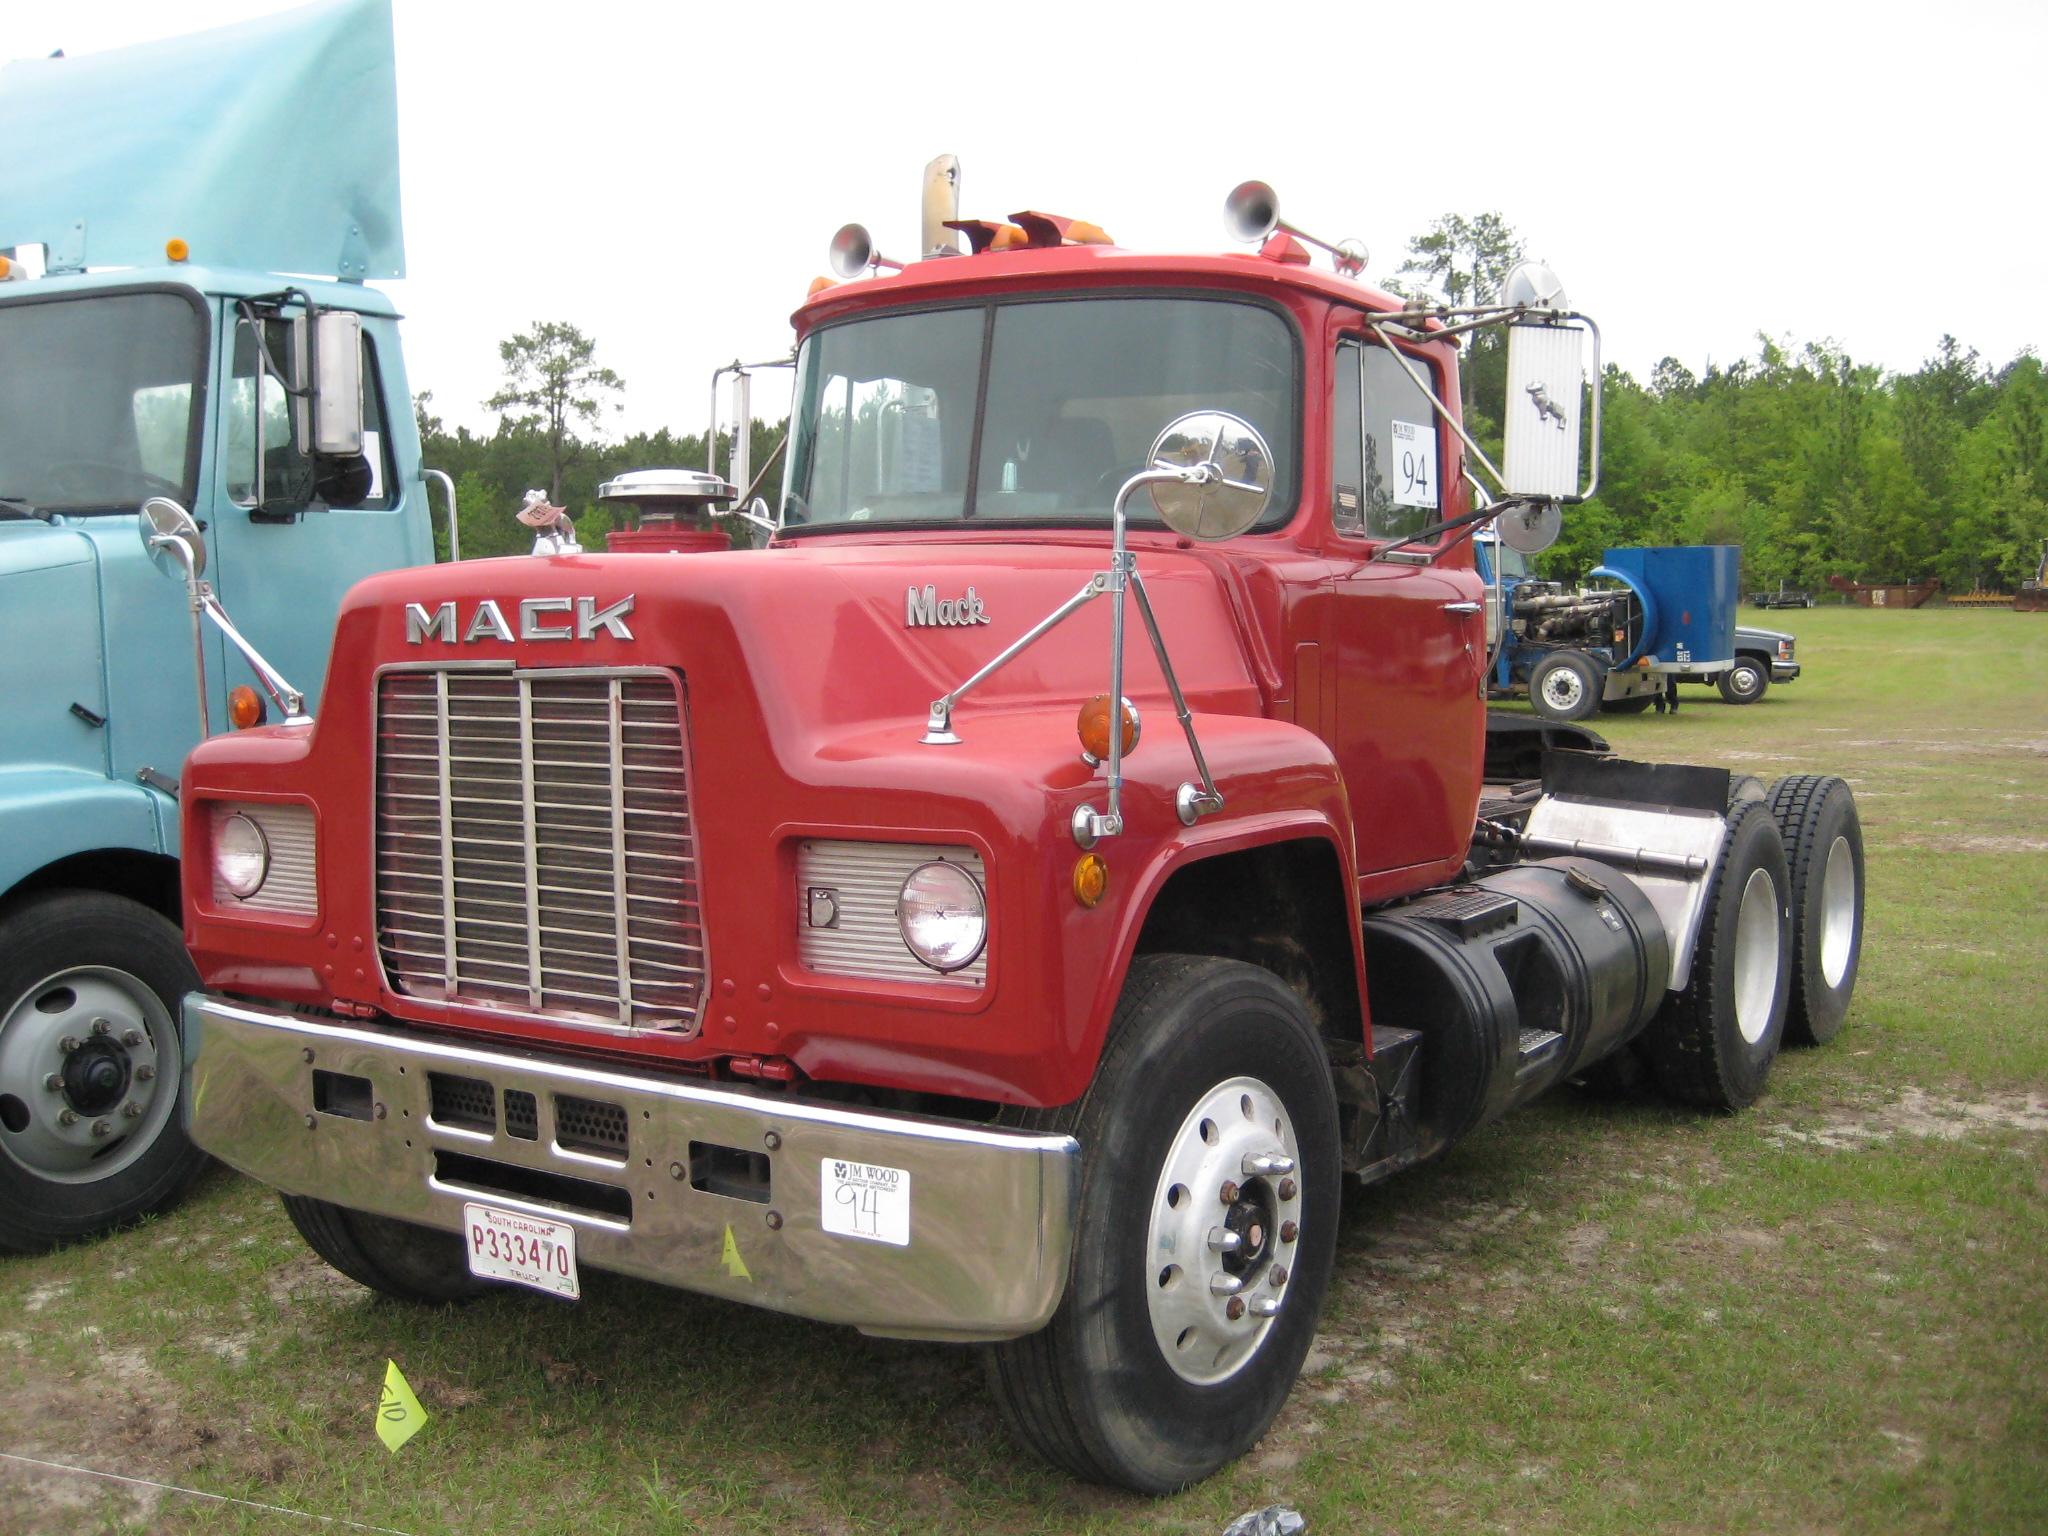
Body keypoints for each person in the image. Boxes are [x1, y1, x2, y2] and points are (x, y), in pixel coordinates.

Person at [517, 488, 580, 555]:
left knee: (561, 529)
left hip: (560, 534)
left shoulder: (559, 517)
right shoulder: (535, 515)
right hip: (544, 543)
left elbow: (568, 528)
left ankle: (559, 535)